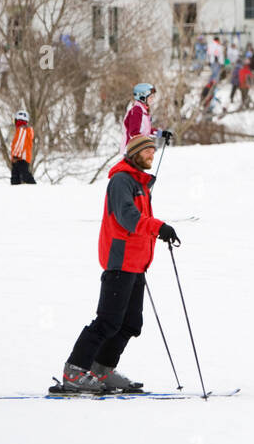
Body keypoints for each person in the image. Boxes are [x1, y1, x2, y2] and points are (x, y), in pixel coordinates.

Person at [57, 134, 179, 394]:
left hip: (137, 264)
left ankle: (101, 371)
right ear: (135, 153)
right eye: (147, 151)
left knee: (131, 323)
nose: (151, 155)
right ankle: (74, 372)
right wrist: (159, 228)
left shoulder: (140, 184)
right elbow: (127, 217)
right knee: (107, 321)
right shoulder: (121, 181)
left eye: (153, 151)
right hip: (120, 261)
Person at [124, 83, 172, 147]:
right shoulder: (136, 111)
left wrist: (162, 133)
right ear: (142, 97)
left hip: (140, 147)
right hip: (133, 149)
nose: (153, 99)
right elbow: (134, 133)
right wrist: (147, 143)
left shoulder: (143, 111)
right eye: (151, 97)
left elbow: (147, 131)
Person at [10, 109, 36, 184]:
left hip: (20, 158)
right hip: (23, 157)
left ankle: (35, 188)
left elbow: (19, 143)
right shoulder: (25, 130)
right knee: (17, 177)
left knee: (24, 176)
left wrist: (15, 155)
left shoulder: (22, 130)